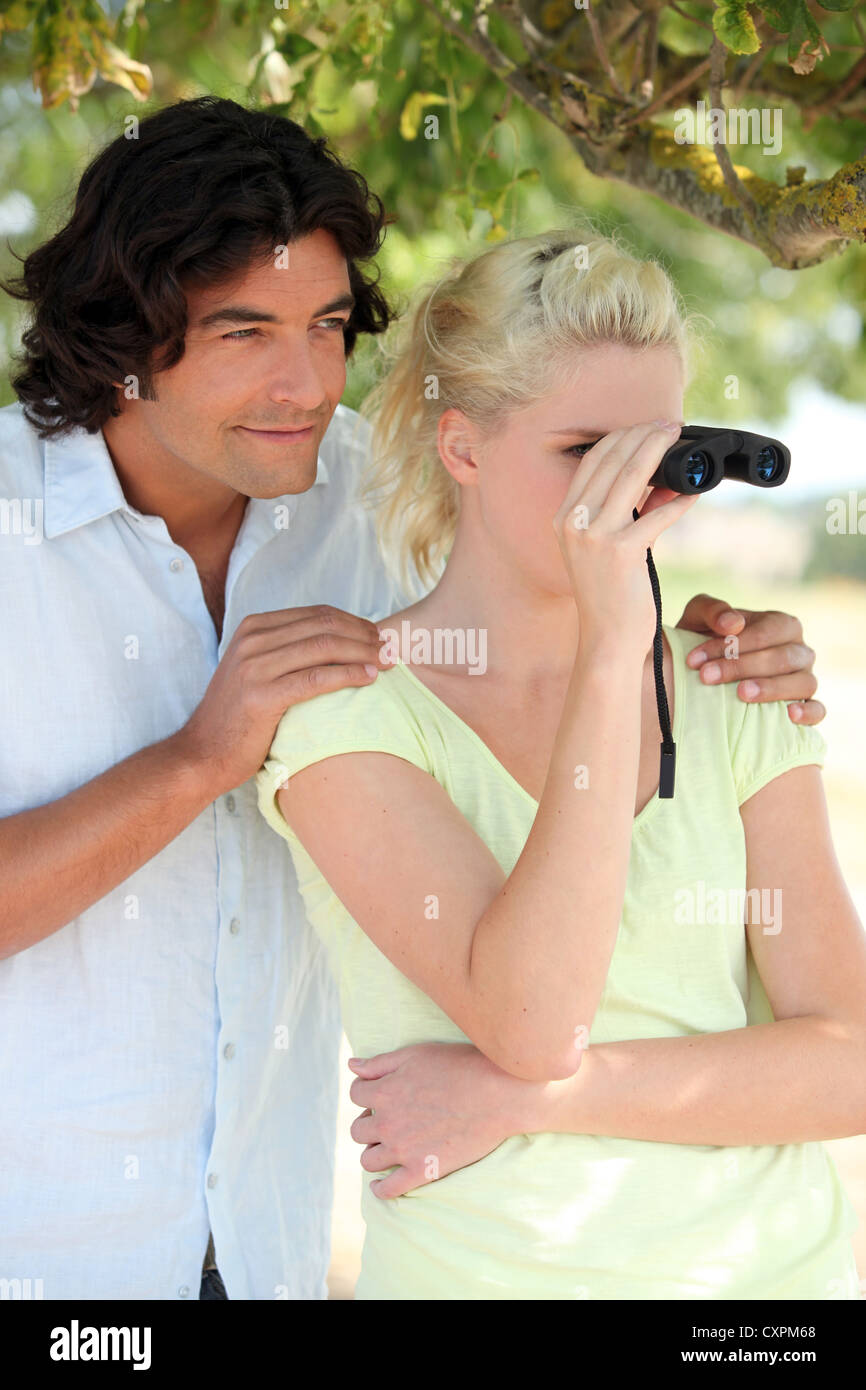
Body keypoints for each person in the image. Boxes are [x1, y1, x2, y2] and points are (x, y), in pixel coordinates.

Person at [0, 94, 825, 1301]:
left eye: (328, 326)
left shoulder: (359, 500)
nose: (304, 381)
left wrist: (735, 648)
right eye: (244, 333)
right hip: (42, 1246)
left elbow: (531, 583)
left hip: (267, 1246)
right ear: (125, 334)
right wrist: (195, 760)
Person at [256, 228, 866, 1300]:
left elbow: (849, 1062)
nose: (629, 502)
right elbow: (535, 1023)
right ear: (463, 450)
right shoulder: (347, 719)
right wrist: (608, 652)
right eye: (588, 453)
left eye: (657, 454)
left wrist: (533, 1104)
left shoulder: (731, 687)